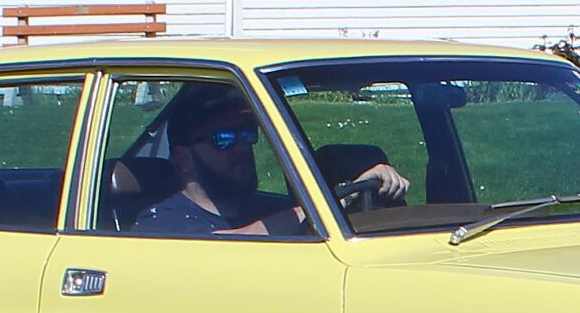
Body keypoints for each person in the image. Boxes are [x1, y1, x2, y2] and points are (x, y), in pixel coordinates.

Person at [131, 87, 407, 237]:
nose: (241, 146)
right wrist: (328, 206)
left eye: (246, 134)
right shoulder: (160, 224)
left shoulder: (270, 208)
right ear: (184, 158)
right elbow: (225, 246)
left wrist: (370, 184)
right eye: (223, 138)